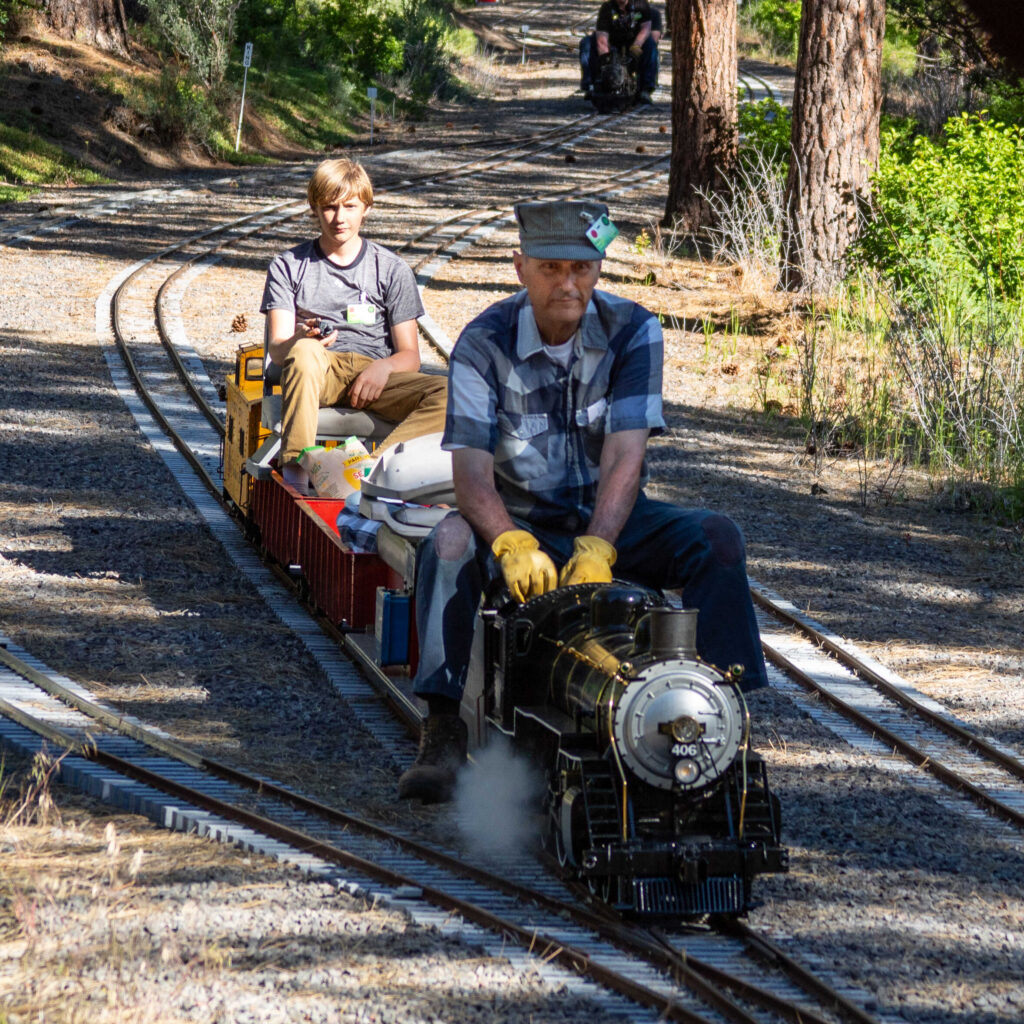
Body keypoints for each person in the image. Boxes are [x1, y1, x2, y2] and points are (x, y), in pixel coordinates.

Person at [398, 199, 769, 803]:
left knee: (717, 539)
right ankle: (441, 731)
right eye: (550, 268)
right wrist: (508, 541)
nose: (567, 284)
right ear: (520, 267)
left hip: (612, 520)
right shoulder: (482, 343)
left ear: (598, 269)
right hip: (521, 520)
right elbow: (470, 474)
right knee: (446, 543)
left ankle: (726, 713)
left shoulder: (634, 330)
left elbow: (626, 456)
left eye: (581, 269)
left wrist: (598, 545)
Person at [260, 158, 447, 494]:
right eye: (329, 207)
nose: (339, 218)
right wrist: (300, 338)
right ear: (314, 208)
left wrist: (383, 368)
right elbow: (277, 350)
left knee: (453, 395)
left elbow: (410, 356)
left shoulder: (392, 269)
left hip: (375, 376)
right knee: (304, 351)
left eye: (349, 206)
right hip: (317, 370)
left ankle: (372, 471)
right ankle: (295, 475)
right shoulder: (288, 266)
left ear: (366, 209)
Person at [579, 0, 659, 104]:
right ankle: (591, 85)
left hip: (635, 43)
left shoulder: (641, 4)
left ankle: (646, 88)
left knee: (650, 44)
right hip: (612, 44)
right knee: (587, 42)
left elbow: (646, 29)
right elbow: (602, 38)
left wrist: (635, 49)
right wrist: (607, 64)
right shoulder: (607, 7)